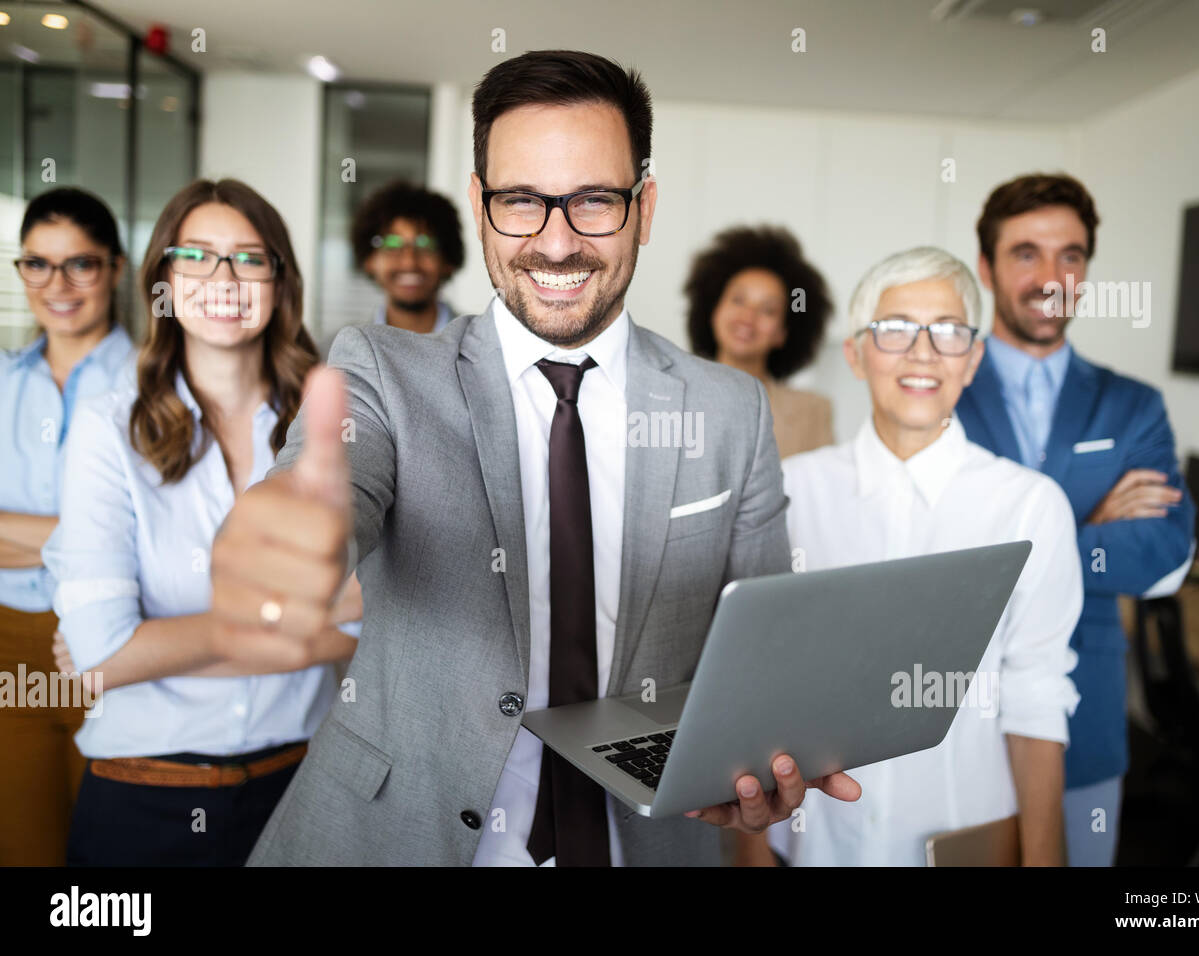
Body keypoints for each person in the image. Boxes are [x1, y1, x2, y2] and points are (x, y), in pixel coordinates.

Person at [208, 50, 859, 867]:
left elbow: (767, 646)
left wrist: (764, 754)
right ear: (481, 206)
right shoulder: (381, 371)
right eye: (521, 201)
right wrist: (291, 528)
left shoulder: (727, 409)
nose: (556, 244)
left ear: (644, 208)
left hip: (648, 843)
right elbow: (331, 485)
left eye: (594, 201)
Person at [42, 179, 358, 866]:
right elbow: (100, 655)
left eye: (249, 258)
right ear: (164, 277)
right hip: (140, 798)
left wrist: (158, 647)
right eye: (197, 255)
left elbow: (380, 619)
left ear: (279, 280)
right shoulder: (106, 427)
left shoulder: (329, 425)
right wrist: (307, 623)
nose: (223, 278)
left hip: (300, 790)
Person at [736, 247, 1082, 866]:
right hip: (815, 845)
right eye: (895, 330)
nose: (923, 353)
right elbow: (755, 685)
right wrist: (752, 855)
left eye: (948, 332)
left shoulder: (1029, 507)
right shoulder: (792, 491)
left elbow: (1036, 698)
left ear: (973, 359)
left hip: (964, 840)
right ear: (856, 353)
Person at [955, 173, 1196, 866]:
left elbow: (1162, 549)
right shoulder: (937, 385)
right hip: (952, 712)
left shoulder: (1132, 406)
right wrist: (1091, 522)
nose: (1051, 275)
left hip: (1084, 717)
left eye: (1071, 255)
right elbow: (932, 554)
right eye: (1026, 252)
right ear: (988, 266)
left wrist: (1017, 548)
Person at [0, 187, 135, 865]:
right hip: (9, 646)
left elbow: (154, 541)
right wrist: (88, 539)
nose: (57, 285)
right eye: (37, 264)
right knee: (23, 848)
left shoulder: (155, 381)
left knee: (111, 855)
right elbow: (117, 537)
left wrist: (21, 536)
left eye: (78, 264)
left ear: (113, 268)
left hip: (118, 646)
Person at [685, 225, 834, 457]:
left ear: (783, 333)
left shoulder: (813, 411)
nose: (748, 317)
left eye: (768, 310)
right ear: (713, 309)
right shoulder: (670, 399)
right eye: (738, 300)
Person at [350, 180, 464, 335]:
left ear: (448, 260)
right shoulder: (335, 352)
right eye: (392, 245)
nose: (409, 263)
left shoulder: (487, 349)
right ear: (369, 260)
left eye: (425, 245)